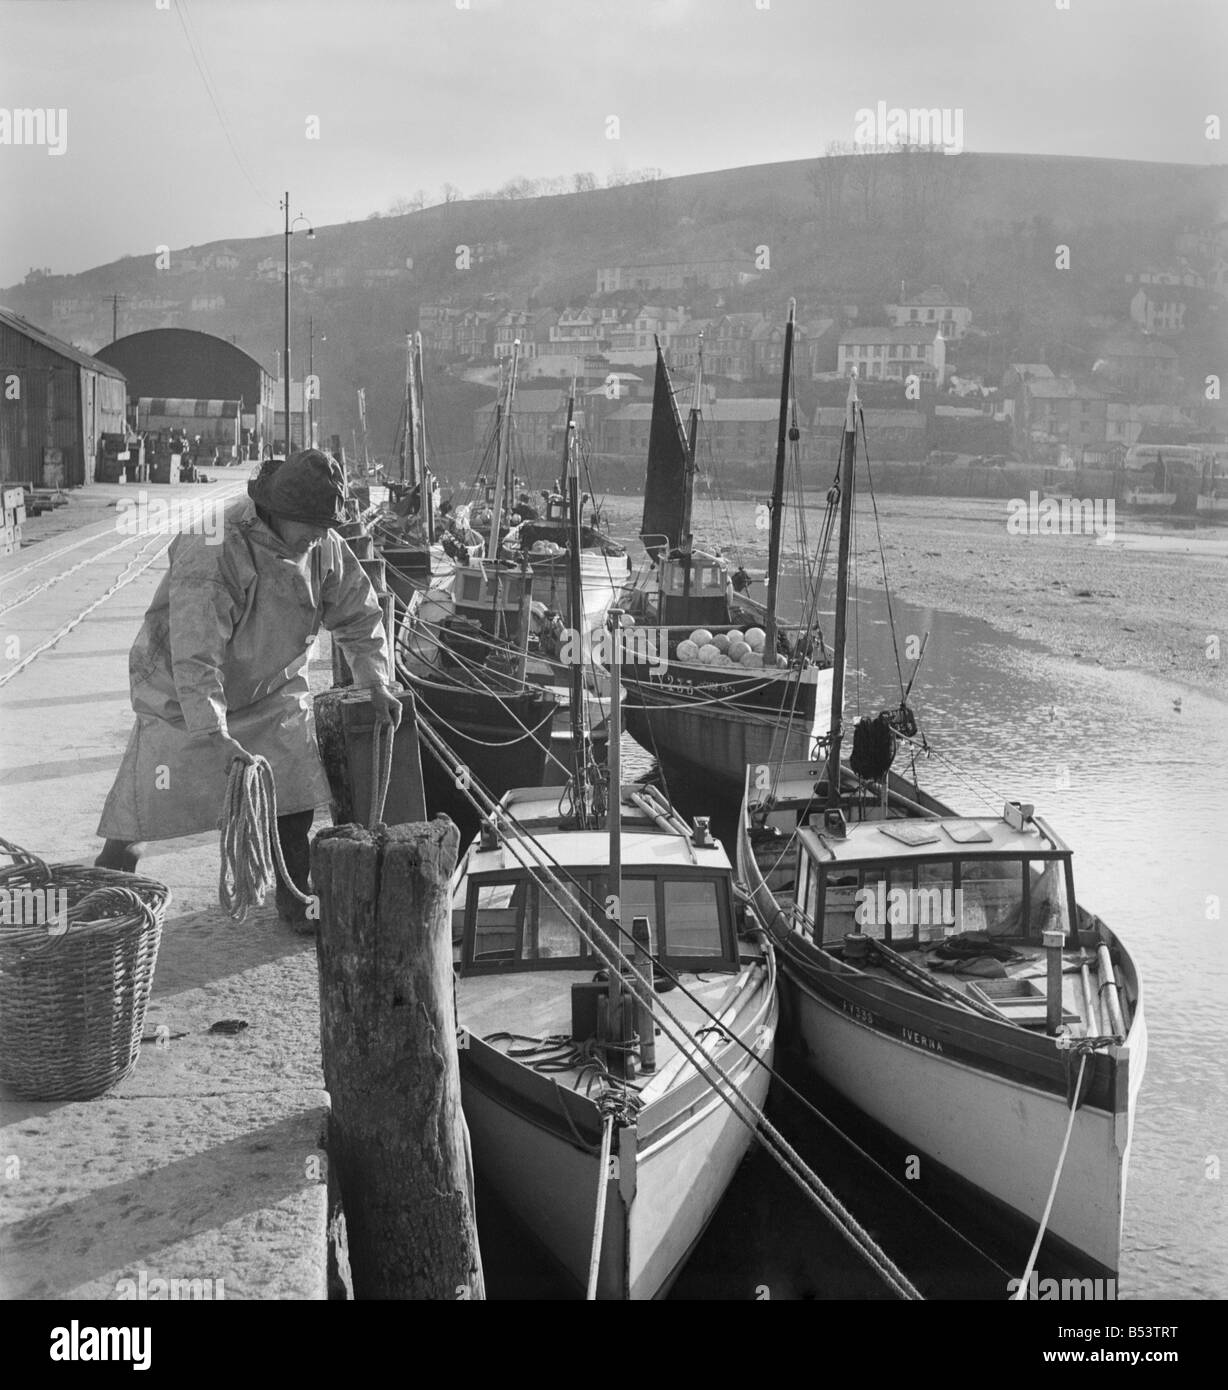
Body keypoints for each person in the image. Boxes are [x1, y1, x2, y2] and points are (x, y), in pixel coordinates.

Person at [95, 450, 401, 926]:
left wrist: (376, 680)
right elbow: (195, 653)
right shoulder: (214, 545)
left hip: (272, 689)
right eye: (311, 526)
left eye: (326, 526)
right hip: (180, 694)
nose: (320, 537)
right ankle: (106, 897)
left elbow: (359, 614)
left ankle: (297, 901)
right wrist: (212, 730)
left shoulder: (322, 543)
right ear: (276, 513)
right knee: (144, 808)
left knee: (295, 793)